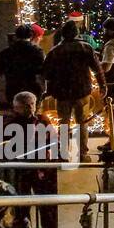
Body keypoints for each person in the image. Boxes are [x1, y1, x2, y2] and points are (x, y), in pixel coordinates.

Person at [0, 91, 65, 228]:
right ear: (17, 107)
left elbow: (54, 138)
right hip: (22, 167)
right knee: (22, 203)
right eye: (25, 106)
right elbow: (7, 147)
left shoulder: (42, 120)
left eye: (32, 104)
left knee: (48, 200)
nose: (30, 108)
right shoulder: (10, 122)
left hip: (42, 166)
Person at [42, 20, 107, 160]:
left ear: (62, 34)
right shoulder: (86, 47)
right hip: (82, 91)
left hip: (62, 93)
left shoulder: (55, 51)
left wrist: (49, 89)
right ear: (77, 33)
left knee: (63, 123)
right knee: (82, 122)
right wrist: (103, 86)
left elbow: (46, 73)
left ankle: (64, 154)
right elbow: (98, 69)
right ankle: (83, 154)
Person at [0, 25, 44, 104]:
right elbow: (43, 71)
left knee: (16, 111)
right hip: (32, 88)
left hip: (13, 88)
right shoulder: (37, 51)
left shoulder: (6, 52)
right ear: (31, 35)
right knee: (31, 112)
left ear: (16, 35)